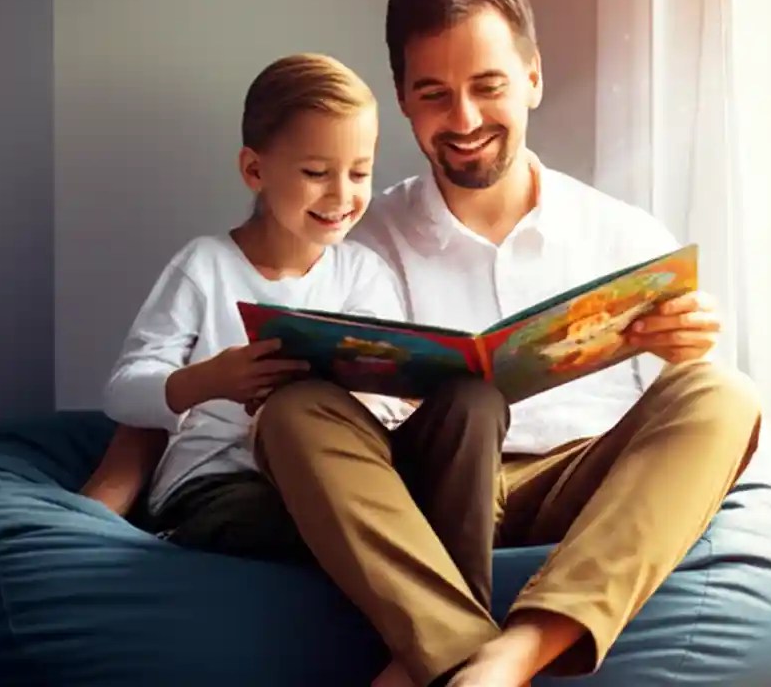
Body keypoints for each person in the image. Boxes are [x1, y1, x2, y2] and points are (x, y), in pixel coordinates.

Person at [252, 0, 771, 687]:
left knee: (724, 395)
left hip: (584, 489)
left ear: (532, 76)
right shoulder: (355, 239)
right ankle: (457, 648)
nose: (464, 119)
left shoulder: (622, 235)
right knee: (291, 415)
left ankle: (513, 653)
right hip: (423, 501)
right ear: (403, 99)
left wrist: (688, 344)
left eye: (489, 86)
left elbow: (686, 427)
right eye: (434, 94)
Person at [84, 53, 509, 686]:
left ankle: (435, 651)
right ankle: (470, 657)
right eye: (316, 173)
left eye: (359, 173)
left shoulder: (361, 274)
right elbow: (125, 390)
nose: (342, 196)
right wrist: (211, 380)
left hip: (351, 474)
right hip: (225, 486)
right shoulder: (206, 267)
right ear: (255, 170)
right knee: (327, 505)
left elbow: (390, 404)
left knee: (475, 401)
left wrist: (399, 392)